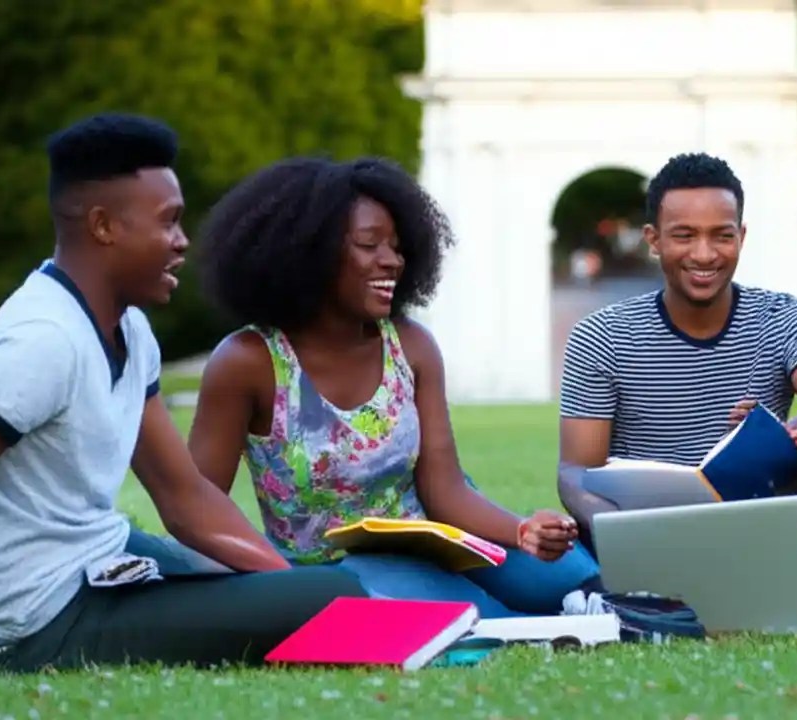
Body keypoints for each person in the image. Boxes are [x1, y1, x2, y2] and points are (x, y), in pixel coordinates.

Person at [0, 114, 365, 674]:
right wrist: (302, 602)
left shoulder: (129, 330)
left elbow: (185, 499)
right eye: (169, 222)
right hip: (52, 622)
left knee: (319, 590)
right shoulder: (42, 341)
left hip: (107, 559)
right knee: (330, 595)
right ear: (104, 226)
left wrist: (282, 585)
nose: (182, 242)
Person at [188, 156, 602, 618]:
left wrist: (522, 530)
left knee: (580, 584)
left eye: (398, 246)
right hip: (332, 568)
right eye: (370, 244)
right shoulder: (247, 361)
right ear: (308, 250)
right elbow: (197, 501)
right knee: (482, 620)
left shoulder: (411, 345)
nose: (393, 260)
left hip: (435, 539)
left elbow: (445, 490)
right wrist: (268, 577)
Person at [556, 152, 797, 550]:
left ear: (741, 236)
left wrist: (784, 433)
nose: (704, 254)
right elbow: (574, 471)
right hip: (642, 538)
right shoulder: (602, 336)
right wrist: (629, 534)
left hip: (756, 539)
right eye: (684, 235)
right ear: (653, 240)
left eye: (721, 236)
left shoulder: (785, 319)